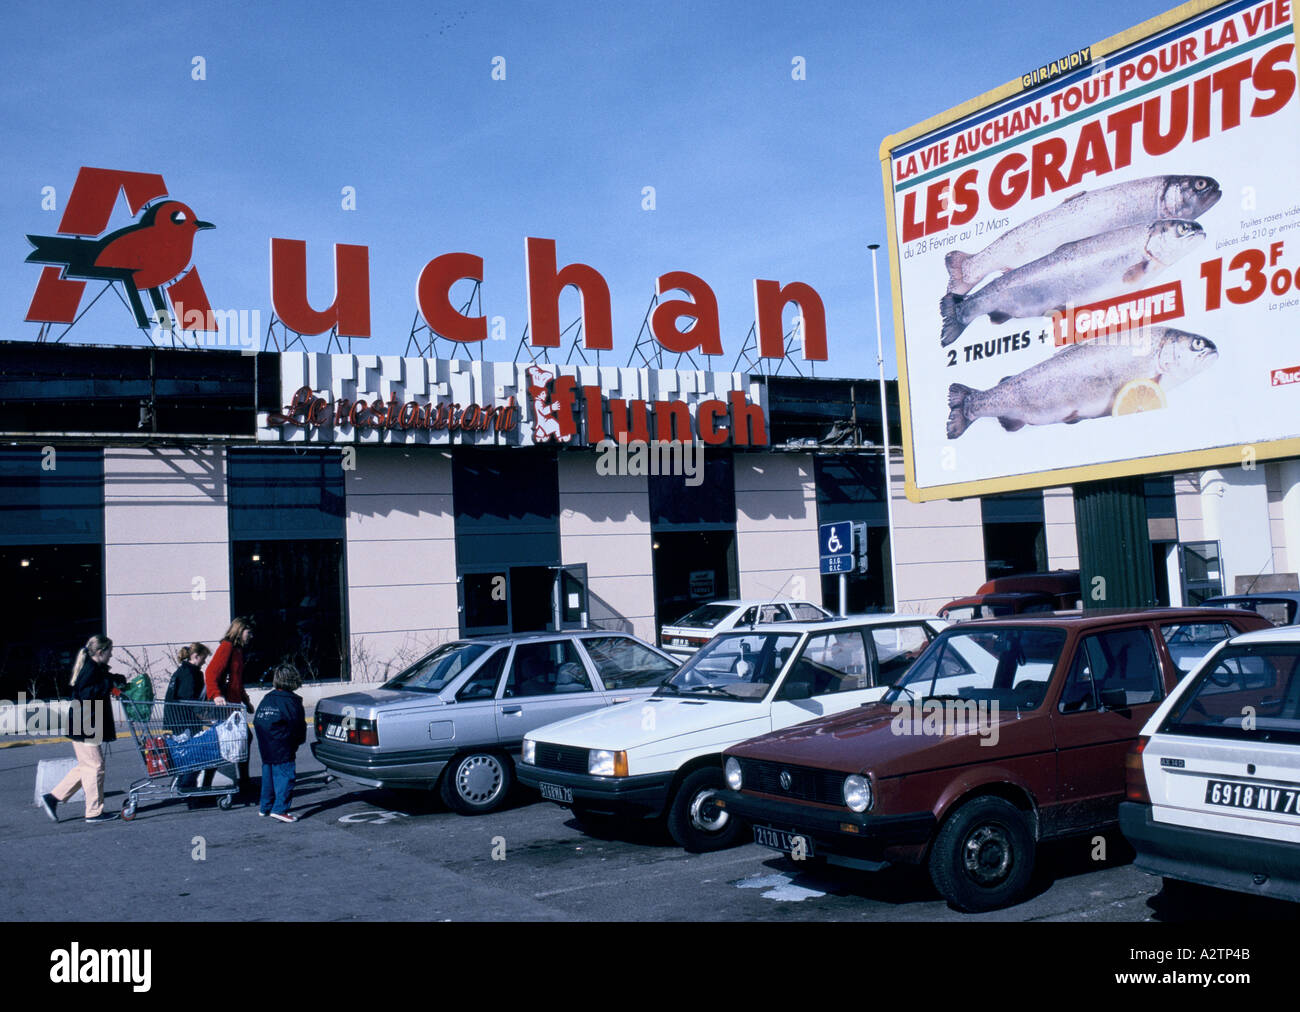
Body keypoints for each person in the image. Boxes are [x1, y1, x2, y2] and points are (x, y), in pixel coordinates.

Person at [40, 635, 126, 824]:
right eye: (110, 651)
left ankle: (52, 798)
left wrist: (114, 679)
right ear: (101, 652)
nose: (111, 655)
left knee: (87, 766)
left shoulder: (94, 667)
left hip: (83, 723)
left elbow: (98, 683)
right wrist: (108, 684)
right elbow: (87, 692)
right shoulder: (90, 669)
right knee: (95, 766)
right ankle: (94, 811)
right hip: (85, 724)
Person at [201, 618, 256, 798]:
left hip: (232, 706)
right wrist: (216, 695)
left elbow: (236, 682)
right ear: (240, 631)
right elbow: (210, 673)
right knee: (225, 743)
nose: (251, 636)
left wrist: (246, 701)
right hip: (223, 706)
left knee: (241, 739)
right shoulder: (227, 647)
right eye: (249, 632)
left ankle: (243, 782)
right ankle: (210, 785)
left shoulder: (238, 651)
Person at [253, 664, 306, 823]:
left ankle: (265, 807)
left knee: (268, 774)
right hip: (283, 742)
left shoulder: (268, 697)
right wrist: (296, 742)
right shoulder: (292, 701)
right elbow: (297, 724)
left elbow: (258, 719)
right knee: (285, 775)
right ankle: (280, 809)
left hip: (266, 741)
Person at [164, 643, 211, 795]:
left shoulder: (182, 671)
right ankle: (186, 787)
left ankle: (185, 783)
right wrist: (203, 717)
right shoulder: (191, 673)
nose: (204, 662)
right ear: (196, 656)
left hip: (177, 720)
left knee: (187, 754)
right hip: (184, 721)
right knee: (195, 755)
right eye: (203, 659)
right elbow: (188, 699)